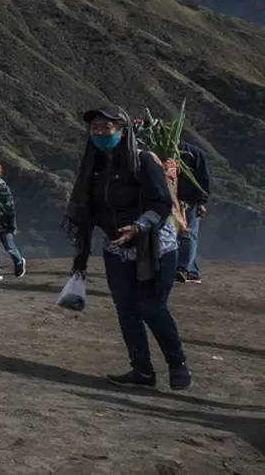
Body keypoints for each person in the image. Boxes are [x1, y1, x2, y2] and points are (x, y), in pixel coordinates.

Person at [62, 105, 192, 390]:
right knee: (126, 308)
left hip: (154, 245)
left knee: (151, 306)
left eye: (105, 128)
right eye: (94, 128)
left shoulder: (143, 162)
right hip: (117, 247)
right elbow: (89, 207)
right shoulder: (93, 168)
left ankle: (177, 362)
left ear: (122, 131)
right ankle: (142, 371)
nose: (98, 133)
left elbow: (160, 202)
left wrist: (139, 225)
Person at [176, 138, 212, 284]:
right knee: (178, 236)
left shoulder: (195, 154)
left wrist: (201, 202)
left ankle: (184, 269)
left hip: (188, 201)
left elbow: (203, 179)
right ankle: (192, 271)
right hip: (169, 200)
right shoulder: (160, 152)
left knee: (187, 235)